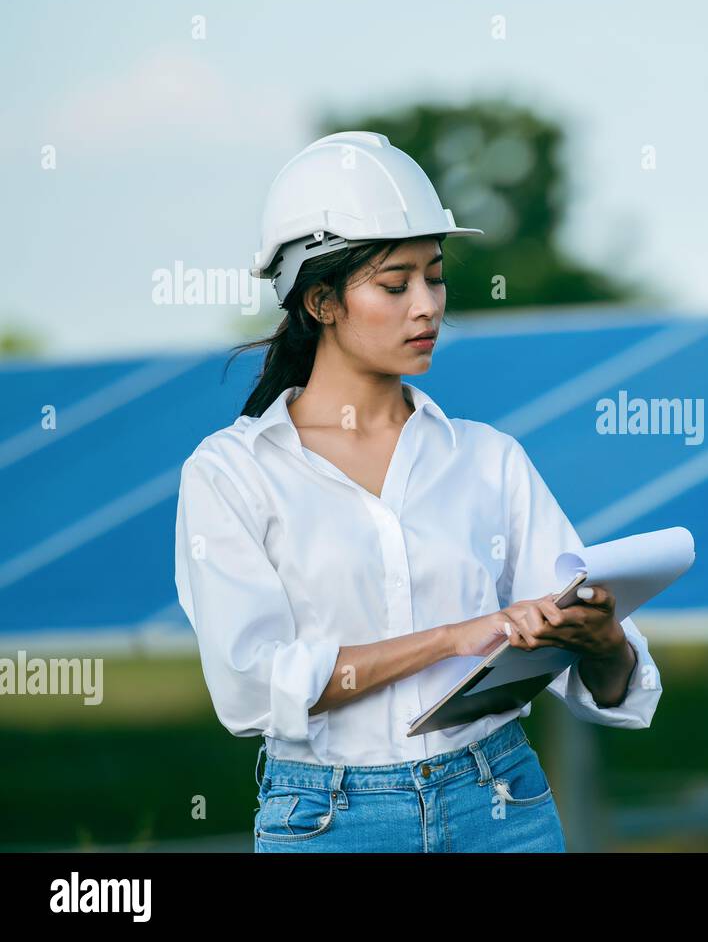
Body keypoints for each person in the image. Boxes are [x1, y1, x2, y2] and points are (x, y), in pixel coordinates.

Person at [173, 131, 661, 852]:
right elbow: (252, 691)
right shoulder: (231, 475)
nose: (427, 305)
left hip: (501, 802)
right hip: (327, 822)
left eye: (434, 276)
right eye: (395, 285)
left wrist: (602, 641)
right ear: (321, 301)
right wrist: (452, 638)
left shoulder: (490, 460)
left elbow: (612, 686)